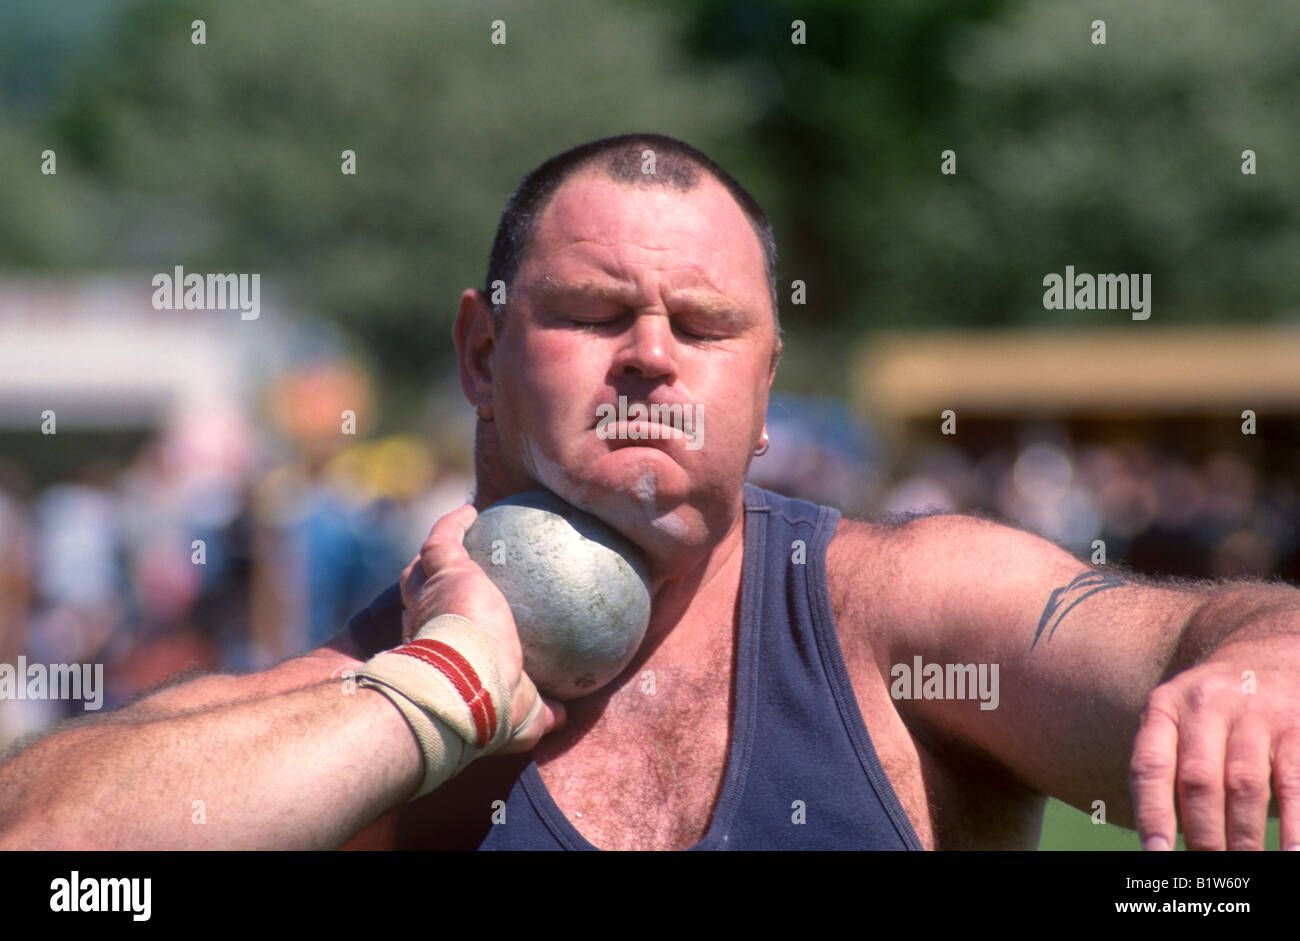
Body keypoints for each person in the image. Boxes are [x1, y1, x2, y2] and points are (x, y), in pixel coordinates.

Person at [2, 133, 1298, 851]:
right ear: (481, 352)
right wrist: (445, 690)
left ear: (767, 382)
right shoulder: (379, 703)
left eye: (707, 322)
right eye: (593, 309)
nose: (653, 352)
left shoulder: (899, 615)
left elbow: (1193, 640)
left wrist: (1265, 657)